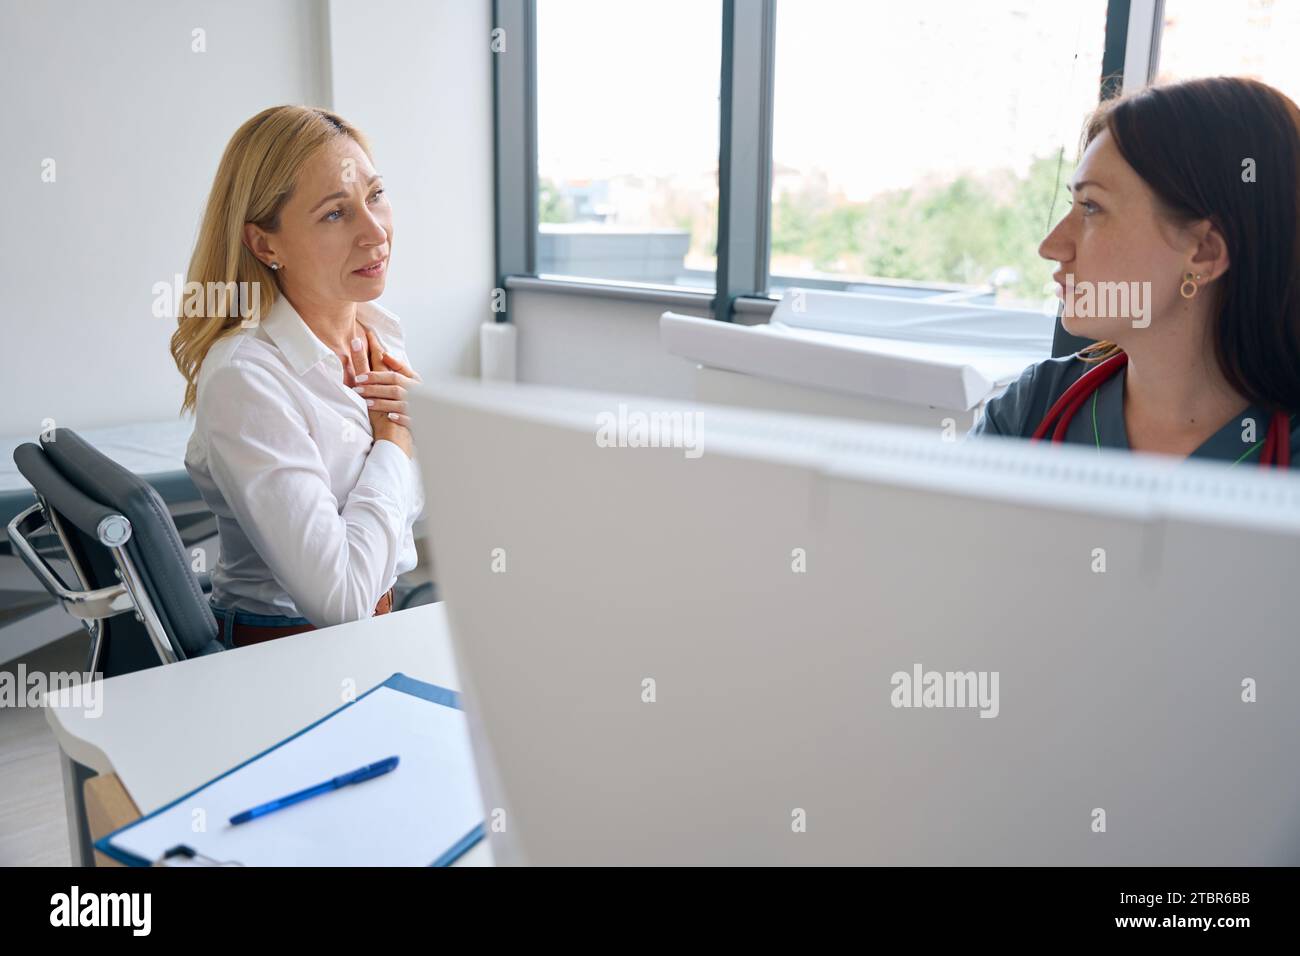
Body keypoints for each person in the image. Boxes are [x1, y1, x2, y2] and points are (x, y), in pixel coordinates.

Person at [170, 106, 424, 646]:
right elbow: (343, 602)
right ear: (265, 244)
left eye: (375, 195)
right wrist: (396, 445)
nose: (375, 231)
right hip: (288, 651)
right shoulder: (245, 380)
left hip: (383, 626)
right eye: (336, 214)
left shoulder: (380, 336)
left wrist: (417, 438)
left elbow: (402, 519)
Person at [970, 77, 1300, 468]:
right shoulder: (1031, 408)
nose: (1051, 247)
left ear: (1205, 252)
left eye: (1091, 207)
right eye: (1072, 204)